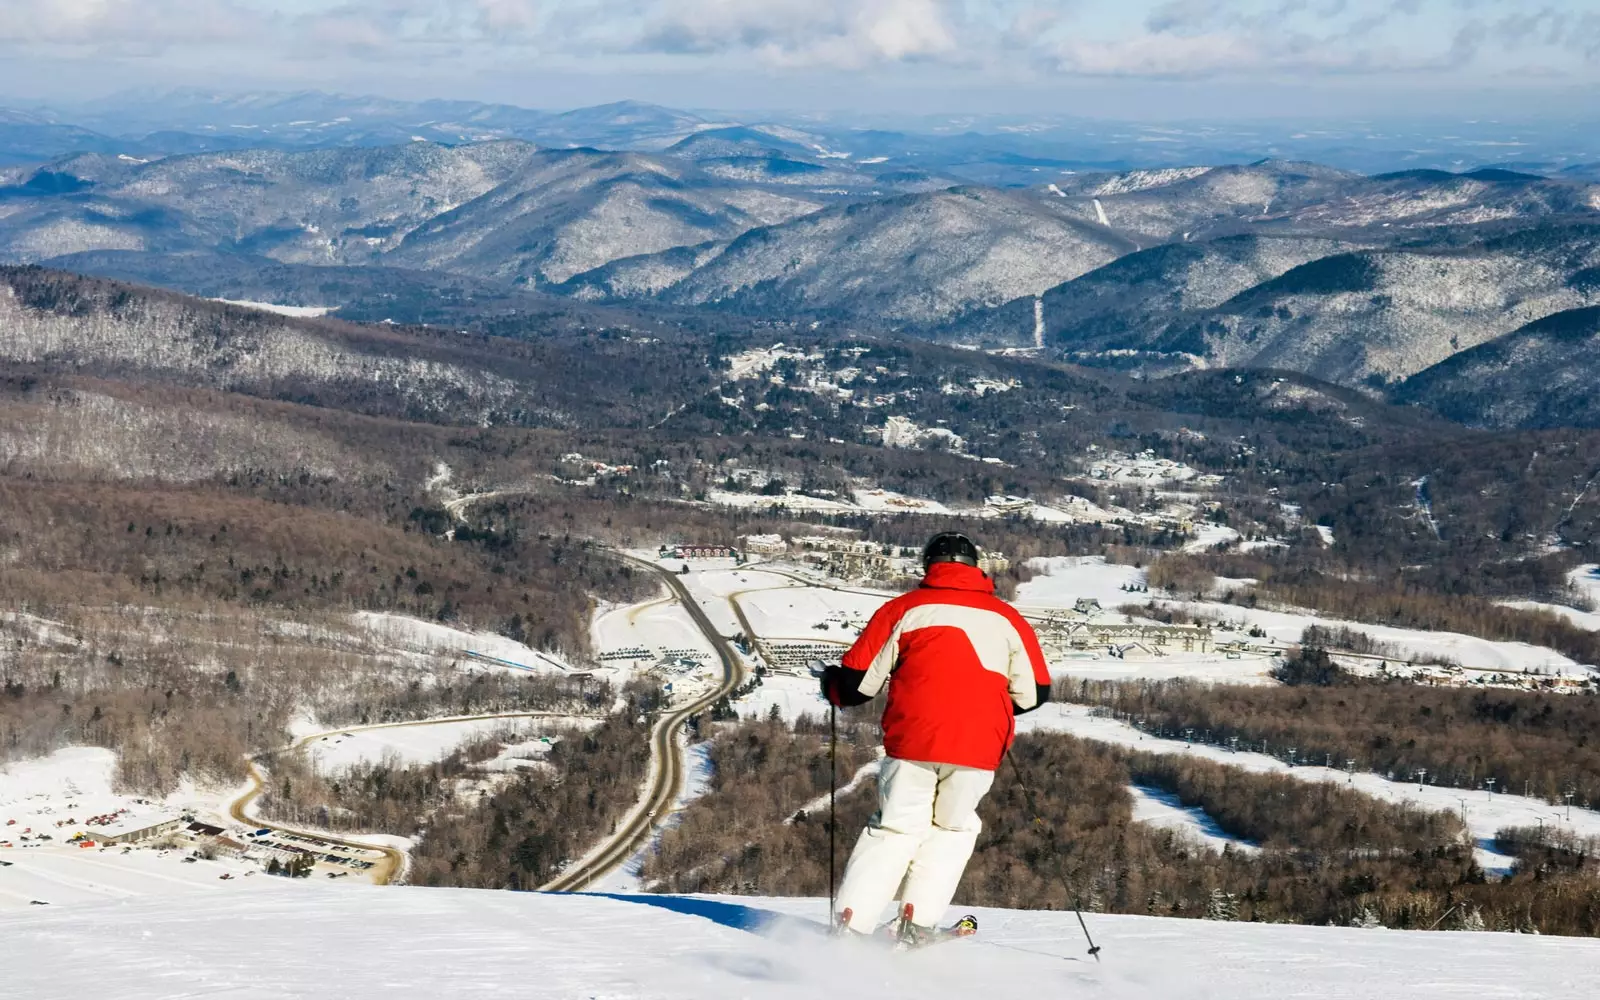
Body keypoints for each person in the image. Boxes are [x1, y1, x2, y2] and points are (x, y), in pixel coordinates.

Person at [821, 530, 1051, 943]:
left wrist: (831, 686)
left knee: (895, 829)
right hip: (978, 747)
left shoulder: (904, 610)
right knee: (952, 830)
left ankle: (851, 925)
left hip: (912, 742)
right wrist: (985, 705)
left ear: (928, 565)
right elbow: (1035, 693)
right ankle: (916, 923)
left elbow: (857, 685)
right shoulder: (1008, 619)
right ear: (976, 567)